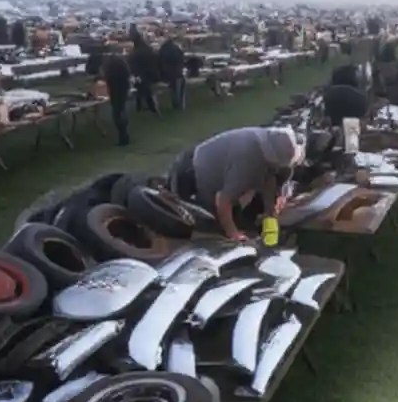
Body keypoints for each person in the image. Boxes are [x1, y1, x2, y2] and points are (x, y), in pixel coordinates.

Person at [172, 127, 304, 241]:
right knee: (205, 227)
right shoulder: (247, 161)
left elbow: (269, 181)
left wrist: (270, 214)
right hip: (192, 171)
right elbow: (223, 201)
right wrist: (233, 233)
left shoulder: (271, 144)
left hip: (218, 164)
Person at [102, 51, 133, 146]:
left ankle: (123, 137)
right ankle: (124, 135)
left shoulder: (110, 67)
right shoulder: (122, 64)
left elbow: (107, 78)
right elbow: (128, 75)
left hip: (115, 91)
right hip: (123, 90)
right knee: (122, 111)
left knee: (117, 114)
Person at [129, 26, 160, 114]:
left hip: (144, 75)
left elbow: (134, 65)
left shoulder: (137, 51)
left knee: (144, 91)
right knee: (145, 92)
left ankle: (151, 109)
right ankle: (148, 108)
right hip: (150, 73)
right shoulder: (146, 48)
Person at [158, 36, 187, 110]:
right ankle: (179, 105)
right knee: (178, 88)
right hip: (177, 72)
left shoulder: (162, 50)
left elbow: (160, 62)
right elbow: (181, 59)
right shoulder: (176, 48)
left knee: (174, 89)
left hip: (167, 73)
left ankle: (176, 104)